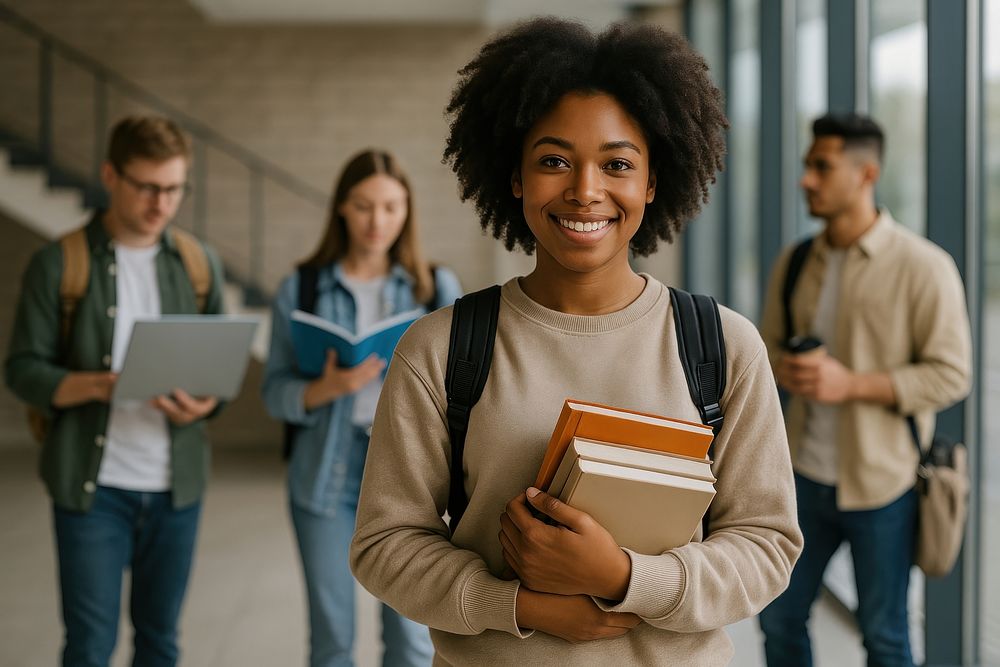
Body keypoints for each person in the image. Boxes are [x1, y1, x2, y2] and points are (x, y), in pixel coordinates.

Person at [349, 18, 802, 666]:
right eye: (554, 160)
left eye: (617, 164)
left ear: (651, 182)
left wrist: (622, 577)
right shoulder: (441, 349)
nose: (585, 190)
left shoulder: (722, 346)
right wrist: (518, 603)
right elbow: (384, 543)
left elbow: (766, 546)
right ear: (515, 177)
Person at [5, 115, 225, 666]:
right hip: (92, 488)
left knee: (159, 642)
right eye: (147, 187)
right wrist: (100, 385)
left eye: (174, 188)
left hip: (177, 488)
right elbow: (22, 369)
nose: (161, 203)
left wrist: (204, 405)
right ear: (110, 174)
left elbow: (217, 374)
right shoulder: (59, 264)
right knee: (89, 646)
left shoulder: (198, 265)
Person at [757, 114, 973, 666]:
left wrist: (850, 384)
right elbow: (766, 351)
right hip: (801, 477)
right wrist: (788, 370)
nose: (807, 178)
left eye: (821, 167)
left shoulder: (925, 267)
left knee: (886, 636)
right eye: (808, 165)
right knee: (779, 616)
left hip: (886, 488)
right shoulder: (795, 261)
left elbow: (953, 373)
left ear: (867, 172)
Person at [262, 149, 462, 667]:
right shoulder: (301, 288)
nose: (378, 222)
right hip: (323, 473)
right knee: (332, 639)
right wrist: (322, 389)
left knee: (411, 640)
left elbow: (463, 390)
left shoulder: (435, 288)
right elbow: (273, 390)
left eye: (391, 207)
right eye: (364, 206)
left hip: (408, 472)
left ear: (407, 212)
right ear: (342, 209)